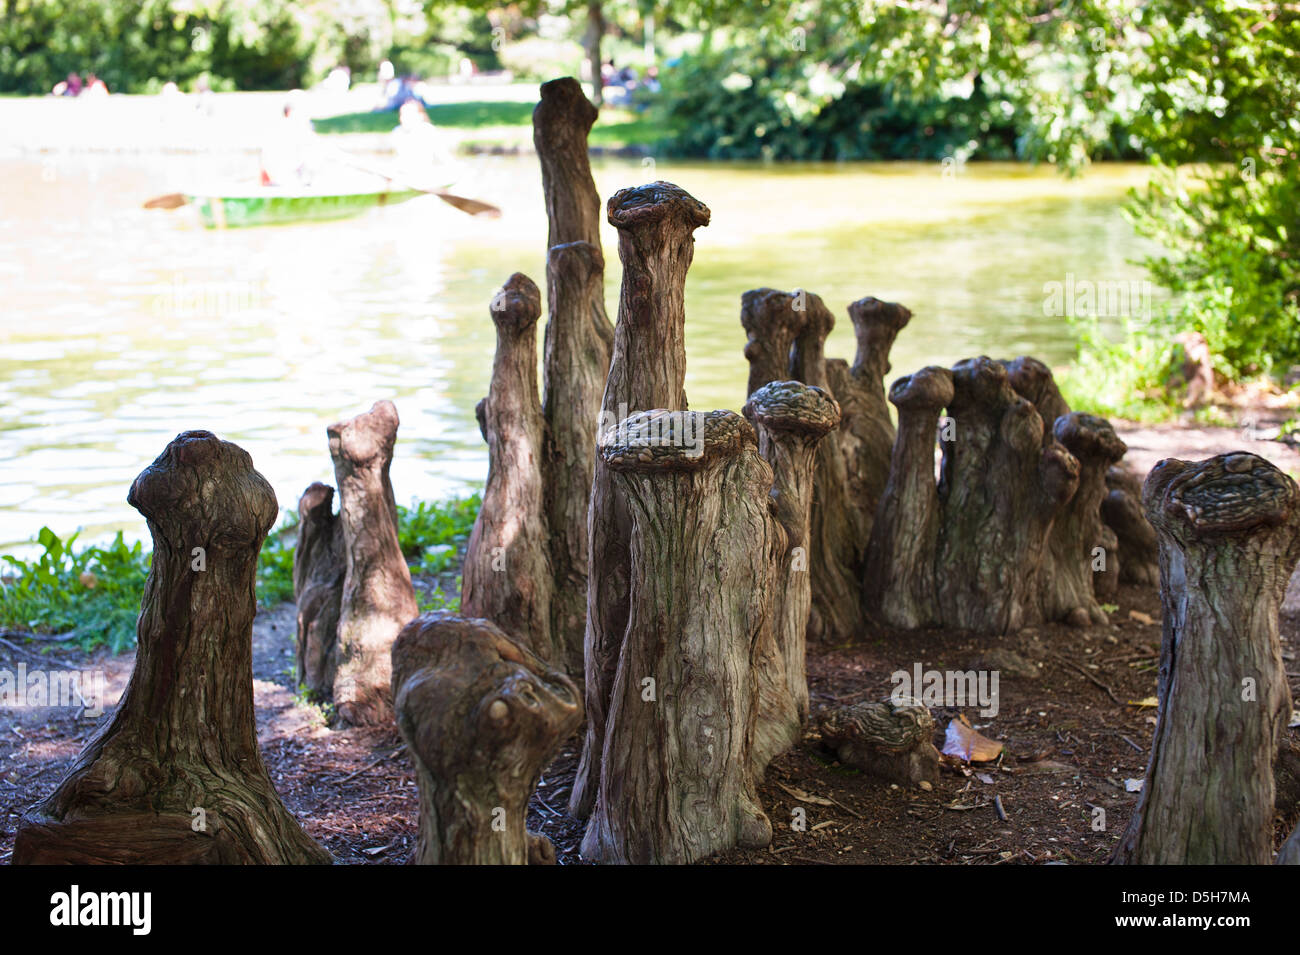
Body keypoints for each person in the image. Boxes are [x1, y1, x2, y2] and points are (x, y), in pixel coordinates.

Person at [390, 100, 458, 187]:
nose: (404, 118)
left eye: (409, 115)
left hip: (424, 174)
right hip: (402, 173)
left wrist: (453, 168)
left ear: (420, 116)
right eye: (402, 115)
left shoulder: (428, 131)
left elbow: (443, 156)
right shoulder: (398, 132)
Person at [259, 93, 321, 186]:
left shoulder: (276, 130)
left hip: (286, 182)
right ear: (289, 112)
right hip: (288, 182)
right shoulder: (292, 130)